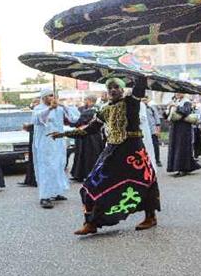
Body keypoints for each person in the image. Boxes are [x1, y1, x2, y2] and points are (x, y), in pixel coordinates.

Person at [51, 77, 160, 234]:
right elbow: (90, 129)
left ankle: (150, 217)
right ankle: (91, 222)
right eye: (110, 88)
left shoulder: (131, 102)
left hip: (133, 150)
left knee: (145, 182)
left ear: (122, 90)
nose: (113, 90)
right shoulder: (105, 109)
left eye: (116, 87)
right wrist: (64, 133)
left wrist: (138, 76)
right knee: (90, 185)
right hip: (112, 150)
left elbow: (139, 89)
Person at [32, 89, 80, 209]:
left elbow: (74, 118)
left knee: (59, 166)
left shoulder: (59, 108)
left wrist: (63, 105)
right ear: (43, 98)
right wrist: (49, 109)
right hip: (45, 144)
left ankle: (56, 192)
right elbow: (37, 120)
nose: (53, 97)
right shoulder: (38, 109)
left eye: (54, 95)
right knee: (47, 169)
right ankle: (45, 196)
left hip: (58, 143)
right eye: (50, 95)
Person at [69, 95, 103, 182]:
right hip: (92, 136)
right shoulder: (97, 109)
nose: (84, 102)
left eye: (85, 100)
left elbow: (78, 122)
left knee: (87, 155)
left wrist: (72, 123)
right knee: (85, 155)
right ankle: (80, 174)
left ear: (89, 100)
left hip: (89, 137)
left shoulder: (91, 111)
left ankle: (85, 174)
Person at [166, 93, 200, 177]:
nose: (177, 94)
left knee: (181, 148)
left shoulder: (186, 102)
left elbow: (186, 111)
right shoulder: (176, 101)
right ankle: (177, 167)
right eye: (176, 92)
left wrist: (176, 106)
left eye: (179, 92)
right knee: (175, 147)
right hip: (176, 128)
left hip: (183, 128)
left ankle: (182, 168)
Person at [143, 97, 163, 168]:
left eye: (145, 100)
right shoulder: (139, 108)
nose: (144, 101)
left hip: (153, 130)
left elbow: (157, 119)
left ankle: (157, 160)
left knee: (155, 146)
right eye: (142, 100)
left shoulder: (151, 108)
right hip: (144, 131)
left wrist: (158, 130)